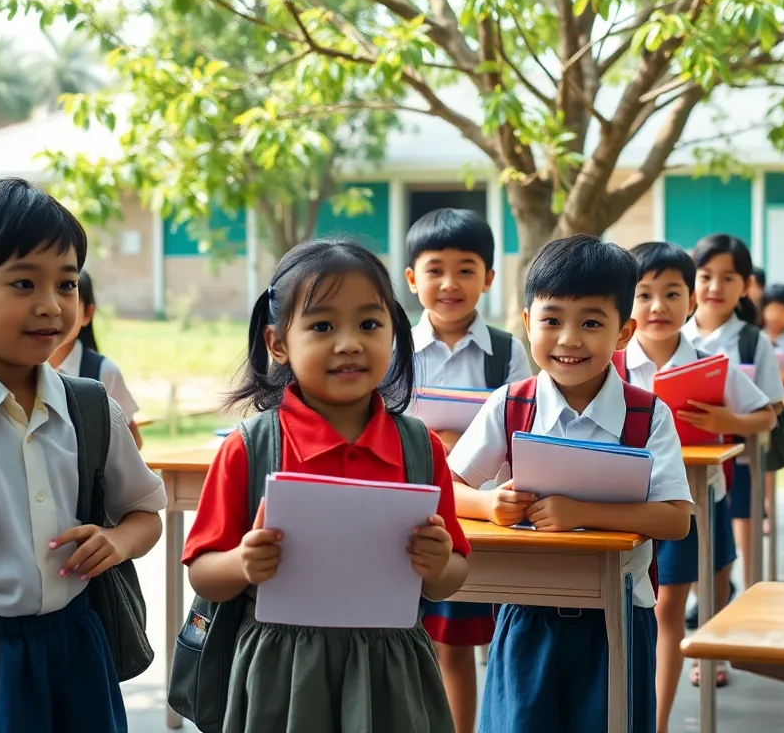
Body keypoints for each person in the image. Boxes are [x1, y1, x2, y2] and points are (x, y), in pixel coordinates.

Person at [181, 239, 467, 733]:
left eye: (370, 324)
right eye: (322, 326)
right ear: (278, 343)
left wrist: (439, 562)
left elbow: (451, 577)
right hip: (283, 675)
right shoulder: (250, 448)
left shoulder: (420, 449)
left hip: (391, 673)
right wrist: (242, 564)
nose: (350, 342)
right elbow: (204, 574)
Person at [449, 234, 692, 733]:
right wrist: (488, 503)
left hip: (620, 619)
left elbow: (674, 519)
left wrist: (580, 513)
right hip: (526, 615)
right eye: (552, 320)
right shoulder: (511, 404)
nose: (569, 339)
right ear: (526, 322)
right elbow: (444, 487)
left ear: (623, 333)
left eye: (591, 323)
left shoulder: (647, 415)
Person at [0, 177, 166, 732]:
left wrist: (117, 542)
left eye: (67, 284)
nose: (51, 305)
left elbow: (146, 513)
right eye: (23, 283)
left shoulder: (90, 408)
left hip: (77, 648)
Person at [619, 242, 774, 717]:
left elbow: (766, 415)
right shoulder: (612, 364)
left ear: (691, 301)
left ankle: (659, 721)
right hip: (624, 505)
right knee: (631, 614)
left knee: (668, 612)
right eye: (644, 295)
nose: (658, 307)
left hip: (691, 504)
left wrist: (727, 418)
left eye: (672, 294)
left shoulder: (710, 361)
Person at [404, 208, 530, 733]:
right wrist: (436, 446)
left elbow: (527, 432)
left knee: (460, 644)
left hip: (483, 516)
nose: (449, 283)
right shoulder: (393, 351)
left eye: (465, 269)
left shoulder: (507, 352)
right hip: (410, 513)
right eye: (434, 269)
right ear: (412, 279)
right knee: (415, 642)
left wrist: (466, 451)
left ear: (489, 278)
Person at [683, 234, 784, 596]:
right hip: (684, 464)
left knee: (730, 543)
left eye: (729, 278)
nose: (715, 286)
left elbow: (771, 412)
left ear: (746, 286)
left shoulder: (752, 340)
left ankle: (736, 599)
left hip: (740, 463)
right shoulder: (674, 336)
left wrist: (728, 423)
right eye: (706, 274)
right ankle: (706, 598)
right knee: (688, 546)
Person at [48, 270, 144, 448]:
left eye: (68, 298)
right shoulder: (17, 370)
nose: (53, 311)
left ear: (87, 314)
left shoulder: (104, 372)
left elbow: (132, 442)